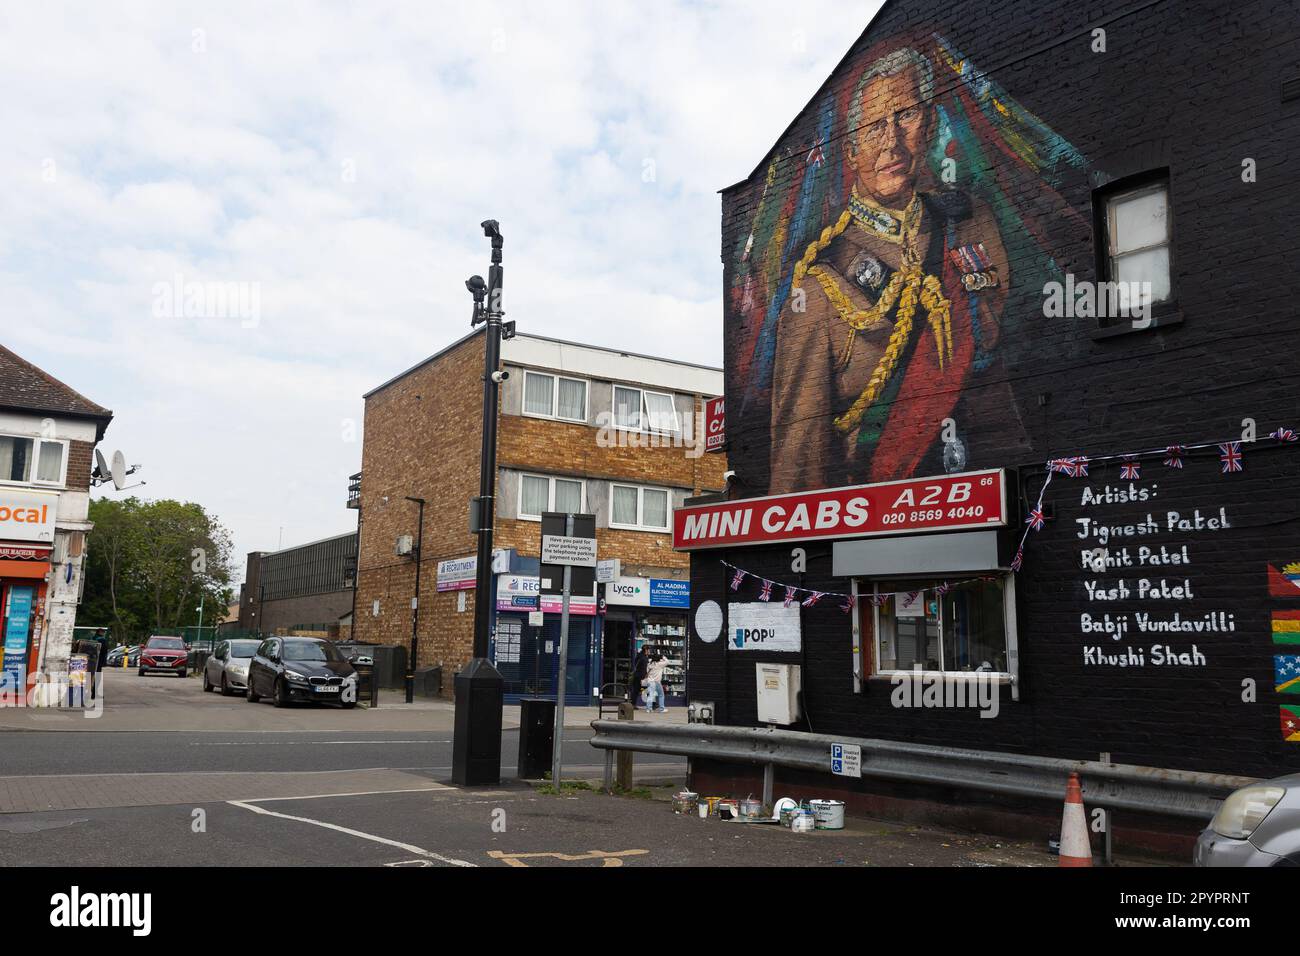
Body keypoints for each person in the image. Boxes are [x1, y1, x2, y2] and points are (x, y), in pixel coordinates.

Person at [768, 46, 1008, 493]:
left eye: (906, 117)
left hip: (986, 490)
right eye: (873, 126)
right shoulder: (819, 284)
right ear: (852, 151)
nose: (891, 142)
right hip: (882, 514)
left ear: (929, 125)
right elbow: (799, 461)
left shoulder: (970, 223)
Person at [631, 644, 651, 709]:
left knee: (636, 691)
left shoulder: (640, 656)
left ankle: (633, 704)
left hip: (637, 676)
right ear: (646, 650)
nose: (649, 651)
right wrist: (645, 677)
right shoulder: (644, 658)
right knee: (647, 690)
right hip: (641, 677)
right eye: (648, 650)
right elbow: (643, 668)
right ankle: (653, 704)